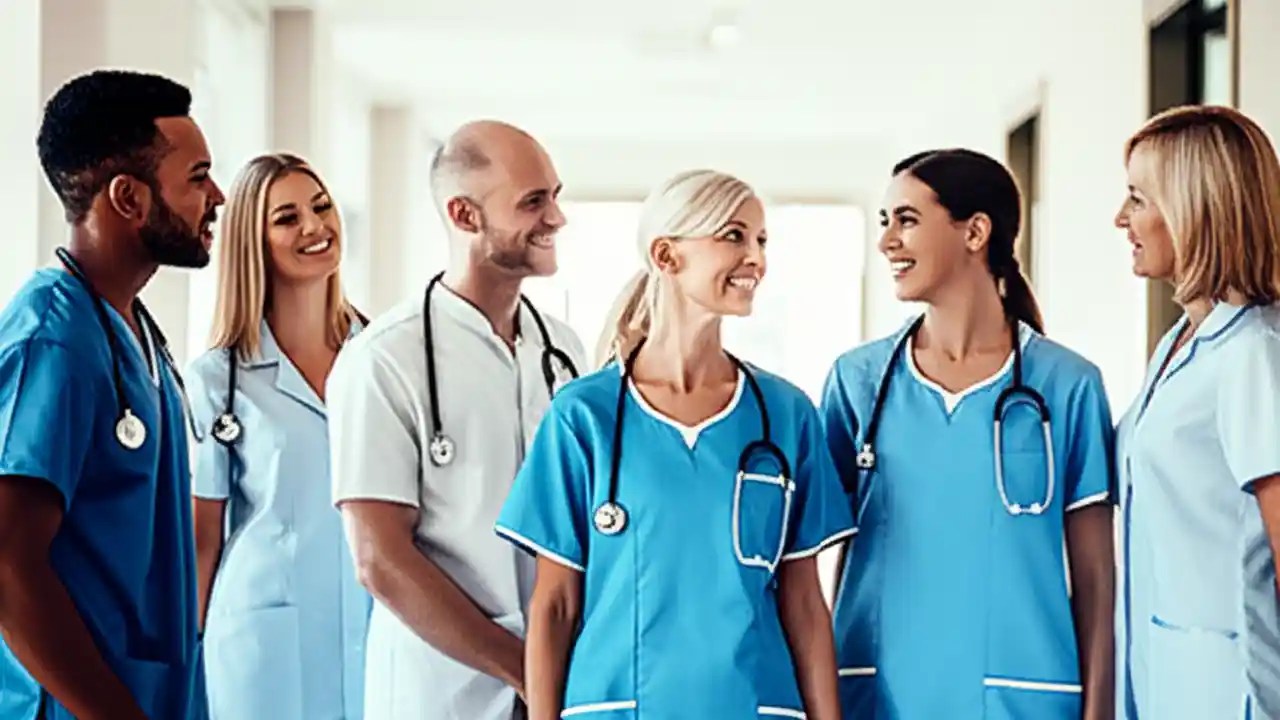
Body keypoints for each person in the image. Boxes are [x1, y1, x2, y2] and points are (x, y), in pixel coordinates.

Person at [495, 169, 853, 720]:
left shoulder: (784, 414)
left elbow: (804, 601)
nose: (756, 258)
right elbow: (555, 605)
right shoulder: (585, 416)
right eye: (734, 236)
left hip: (754, 705)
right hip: (616, 706)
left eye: (761, 241)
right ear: (667, 255)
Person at [821, 149, 1116, 720]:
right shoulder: (858, 383)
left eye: (906, 220)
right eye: (884, 222)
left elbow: (1097, 578)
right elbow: (800, 564)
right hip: (879, 696)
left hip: (1023, 696)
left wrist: (1099, 712)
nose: (886, 243)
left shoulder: (1067, 387)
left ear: (975, 231)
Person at [326, 120, 586, 720]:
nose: (556, 218)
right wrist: (529, 669)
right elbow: (380, 560)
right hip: (443, 693)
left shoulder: (564, 350)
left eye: (555, 195)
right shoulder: (385, 358)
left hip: (559, 682)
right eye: (533, 202)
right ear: (465, 216)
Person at [0, 69, 224, 720]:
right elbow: (8, 564)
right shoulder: (54, 339)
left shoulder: (132, 330)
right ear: (129, 198)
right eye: (197, 177)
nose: (217, 195)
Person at [187, 153, 371, 719]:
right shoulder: (218, 379)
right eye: (287, 218)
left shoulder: (383, 357)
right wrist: (181, 671)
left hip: (378, 624)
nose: (315, 227)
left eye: (320, 207)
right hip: (261, 643)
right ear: (253, 242)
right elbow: (203, 541)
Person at [1113, 105, 1280, 720]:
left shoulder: (1254, 353)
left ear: (1193, 207)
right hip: (1165, 681)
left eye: (1137, 199)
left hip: (1234, 688)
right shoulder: (1180, 344)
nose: (1121, 219)